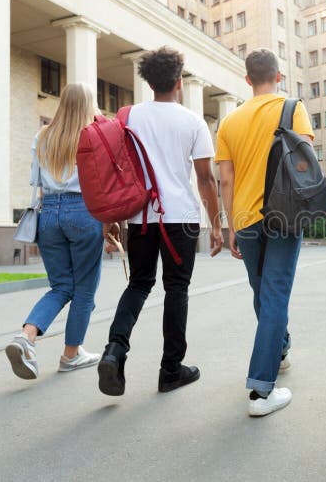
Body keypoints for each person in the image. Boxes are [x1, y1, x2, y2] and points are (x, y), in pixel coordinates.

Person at [98, 47, 223, 396]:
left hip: (139, 216)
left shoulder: (128, 117)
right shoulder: (193, 121)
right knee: (176, 289)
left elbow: (115, 171)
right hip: (179, 218)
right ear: (179, 82)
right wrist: (216, 224)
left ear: (149, 82)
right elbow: (205, 179)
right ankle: (170, 371)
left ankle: (115, 350)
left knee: (138, 284)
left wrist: (111, 218)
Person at [215, 48, 315, 417]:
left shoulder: (229, 122)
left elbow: (226, 178)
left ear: (246, 79)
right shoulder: (293, 108)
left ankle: (280, 344)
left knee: (262, 289)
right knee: (273, 293)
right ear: (279, 75)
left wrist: (231, 226)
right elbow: (304, 162)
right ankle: (261, 389)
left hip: (245, 216)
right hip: (284, 212)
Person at [5, 82, 115, 380]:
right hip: (83, 211)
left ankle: (26, 337)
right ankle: (71, 354)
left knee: (60, 286)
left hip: (48, 214)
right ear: (88, 105)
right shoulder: (91, 135)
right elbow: (101, 182)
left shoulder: (42, 135)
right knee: (84, 290)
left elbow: (35, 181)